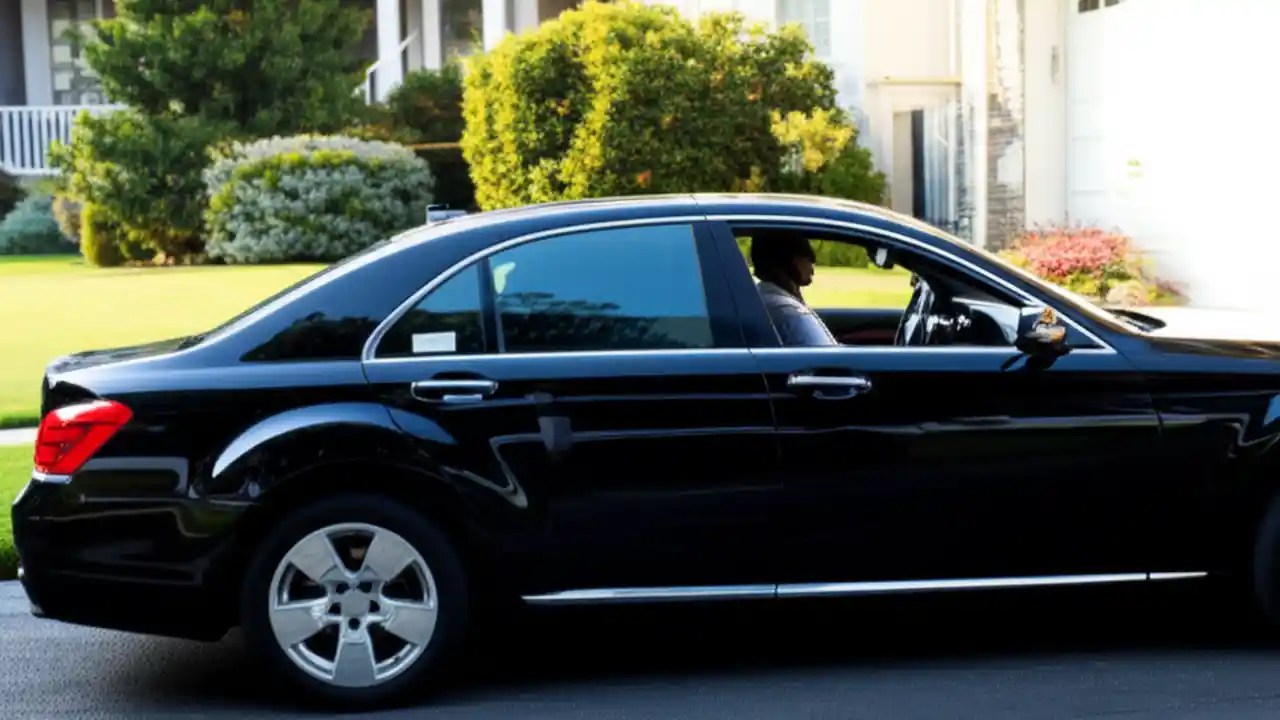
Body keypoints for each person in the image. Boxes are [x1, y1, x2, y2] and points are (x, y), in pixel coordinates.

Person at [750, 233, 839, 346]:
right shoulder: (788, 312)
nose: (811, 266)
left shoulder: (763, 297)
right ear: (787, 260)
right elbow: (826, 357)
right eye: (806, 256)